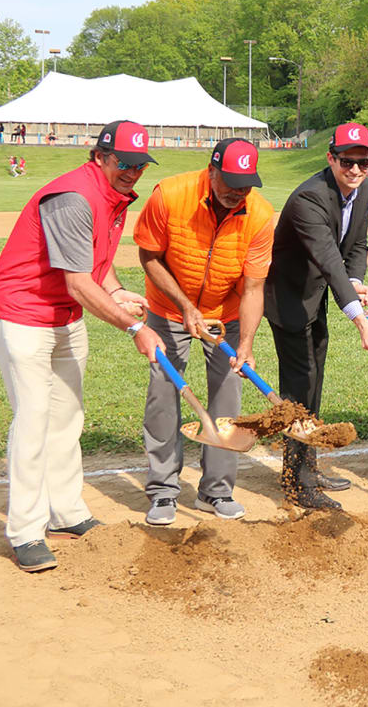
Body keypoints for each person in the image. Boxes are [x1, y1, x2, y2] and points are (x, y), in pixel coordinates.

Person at [0, 120, 164, 572]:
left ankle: (66, 513)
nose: (132, 172)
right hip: (21, 314)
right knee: (35, 416)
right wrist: (133, 328)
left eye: (140, 164)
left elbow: (96, 267)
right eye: (124, 162)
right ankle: (25, 531)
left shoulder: (114, 197)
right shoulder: (73, 196)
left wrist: (118, 292)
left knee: (68, 416)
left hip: (64, 318)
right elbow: (78, 281)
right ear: (100, 156)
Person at [133, 138, 272, 525]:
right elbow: (149, 256)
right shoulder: (170, 195)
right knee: (164, 394)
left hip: (226, 313)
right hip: (168, 308)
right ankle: (163, 491)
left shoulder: (260, 215)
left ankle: (216, 492)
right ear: (211, 171)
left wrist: (245, 345)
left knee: (228, 397)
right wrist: (185, 307)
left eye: (246, 185)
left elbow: (254, 287)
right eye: (229, 183)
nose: (237, 193)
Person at [265, 123, 368, 510]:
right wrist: (362, 321)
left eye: (362, 162)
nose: (354, 169)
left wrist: (356, 280)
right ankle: (296, 481)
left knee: (313, 383)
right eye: (346, 161)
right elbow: (328, 260)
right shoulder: (308, 199)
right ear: (331, 158)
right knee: (300, 386)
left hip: (317, 298)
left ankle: (308, 466)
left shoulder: (363, 187)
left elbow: (355, 246)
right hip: (290, 299)